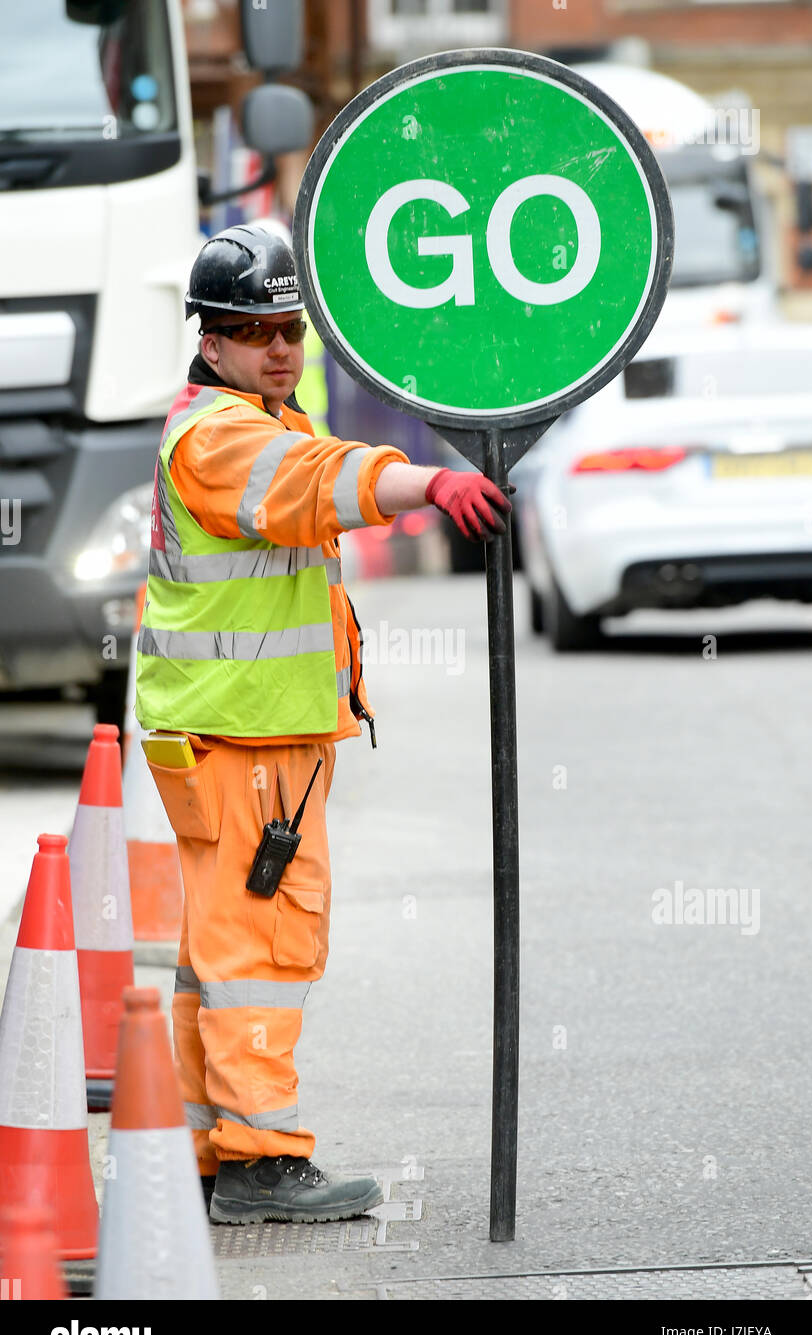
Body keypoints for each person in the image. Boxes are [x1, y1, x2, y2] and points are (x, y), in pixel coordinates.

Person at [135, 222, 511, 1224]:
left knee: (225, 941)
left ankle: (217, 1146)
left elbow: (320, 462)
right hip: (240, 735)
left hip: (245, 731)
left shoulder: (261, 417)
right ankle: (260, 1159)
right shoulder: (221, 434)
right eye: (258, 330)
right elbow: (319, 485)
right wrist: (429, 479)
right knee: (261, 946)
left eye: (291, 327)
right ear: (210, 341)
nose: (283, 348)